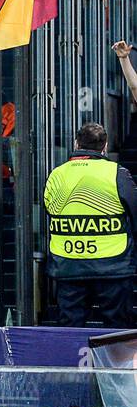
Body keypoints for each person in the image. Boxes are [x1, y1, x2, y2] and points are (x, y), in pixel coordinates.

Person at [43, 122, 137, 327]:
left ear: (76, 143)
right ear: (104, 147)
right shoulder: (117, 173)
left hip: (67, 265)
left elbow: (49, 209)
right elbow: (134, 211)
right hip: (113, 266)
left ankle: (70, 360)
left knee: (69, 330)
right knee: (117, 332)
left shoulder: (56, 174)